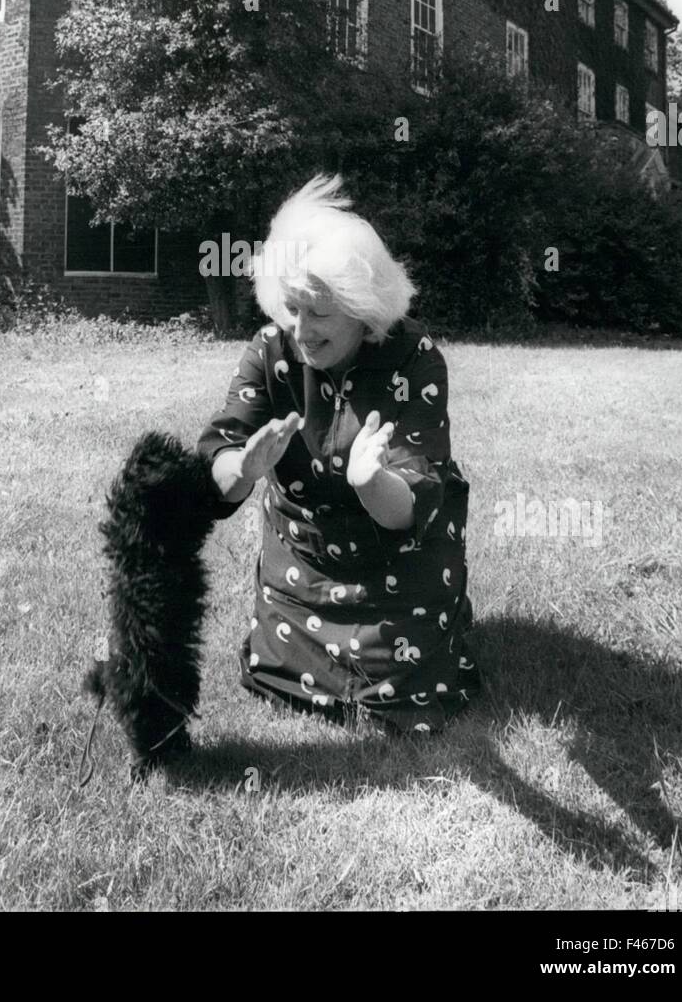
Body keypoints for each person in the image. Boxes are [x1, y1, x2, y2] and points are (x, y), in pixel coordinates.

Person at [196, 173, 479, 735]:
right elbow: (220, 452)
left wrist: (371, 480)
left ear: (363, 308)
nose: (300, 329)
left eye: (320, 313)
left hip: (397, 567)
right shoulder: (270, 350)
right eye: (291, 308)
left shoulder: (415, 360)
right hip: (303, 568)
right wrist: (242, 470)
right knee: (275, 666)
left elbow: (412, 503)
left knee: (410, 692)